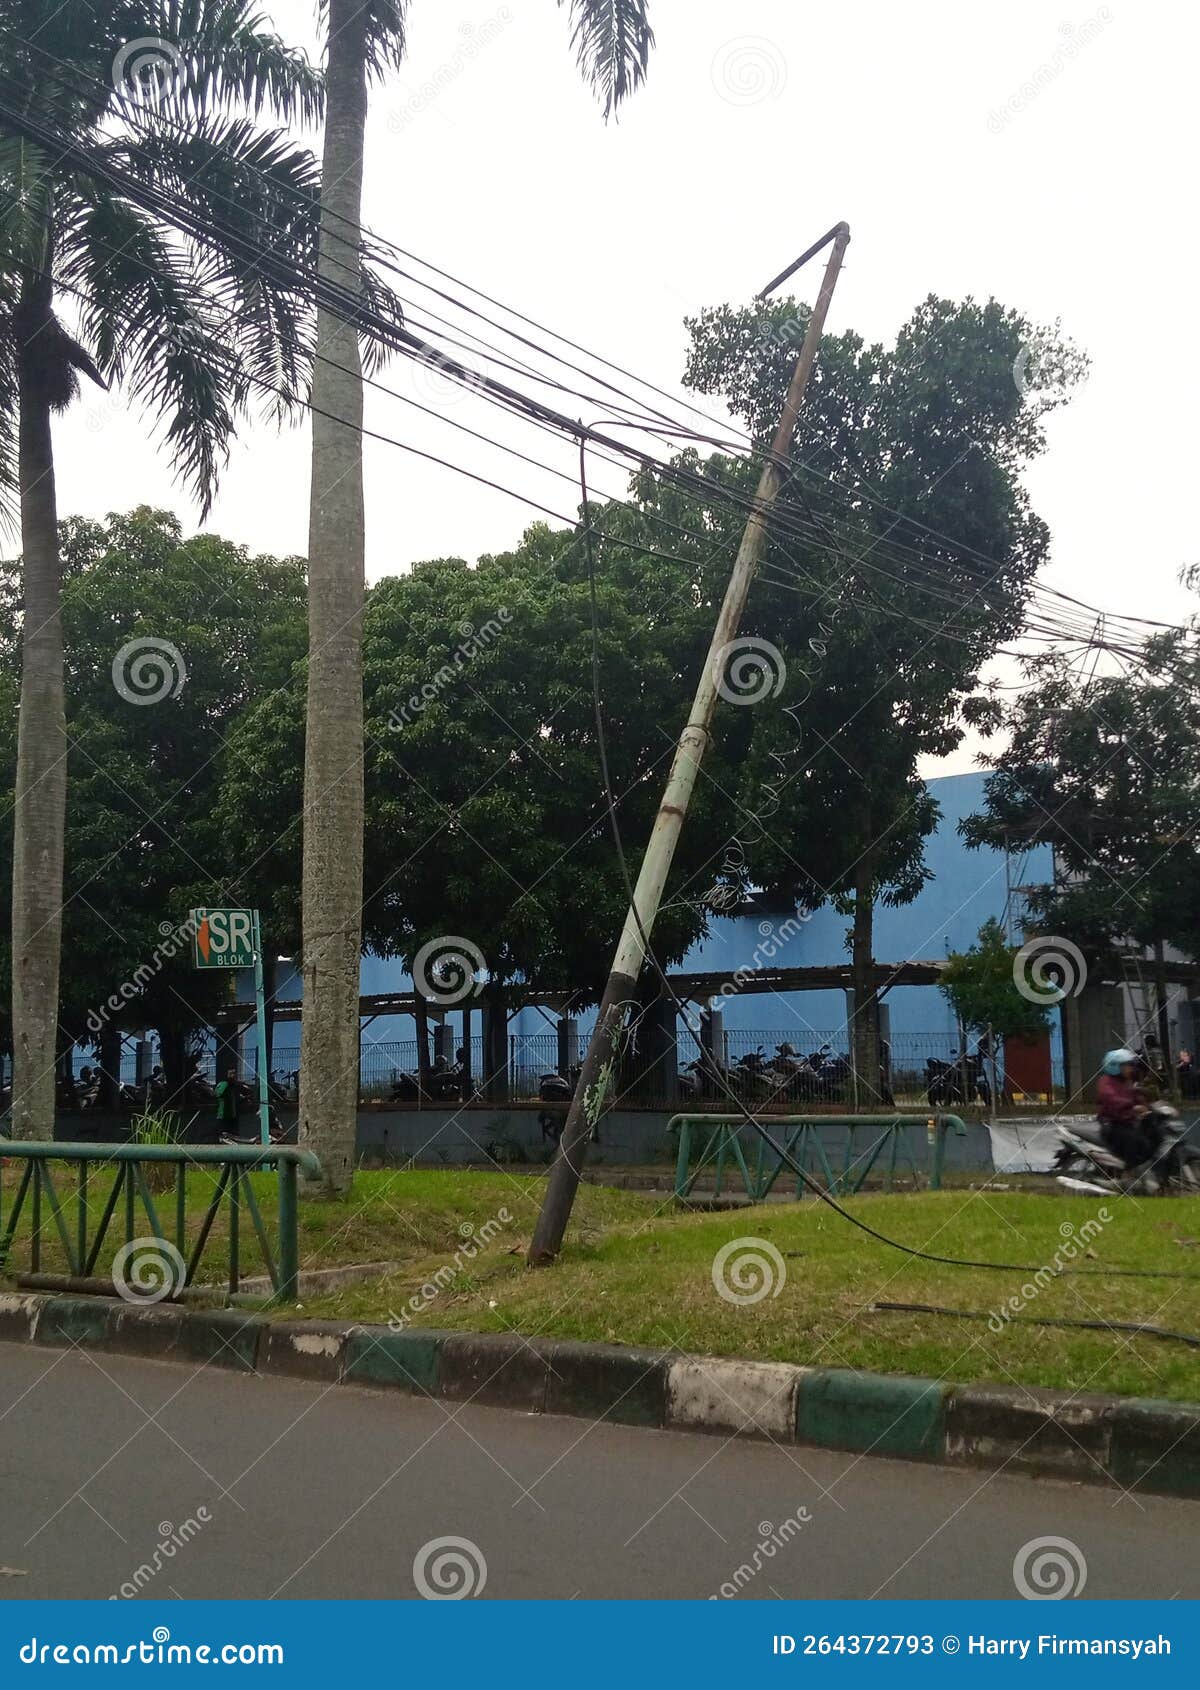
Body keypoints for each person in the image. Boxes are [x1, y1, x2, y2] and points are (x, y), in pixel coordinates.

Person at [1096, 1047, 1155, 1167]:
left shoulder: (1126, 1081)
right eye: (1128, 1065)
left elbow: (1136, 1096)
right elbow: (1111, 1099)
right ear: (1115, 1066)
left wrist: (1149, 1106)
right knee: (1132, 1140)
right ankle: (1128, 1175)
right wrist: (1133, 1107)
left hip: (1127, 1121)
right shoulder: (1105, 1081)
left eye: (1131, 1065)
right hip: (1112, 1124)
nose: (1131, 1068)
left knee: (1148, 1140)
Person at [215, 1066, 245, 1144]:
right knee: (224, 1137)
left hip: (233, 1115)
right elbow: (218, 1094)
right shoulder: (223, 1084)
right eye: (231, 1073)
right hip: (224, 1116)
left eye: (234, 1073)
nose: (233, 1075)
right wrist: (227, 1084)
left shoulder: (234, 1087)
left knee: (234, 1136)